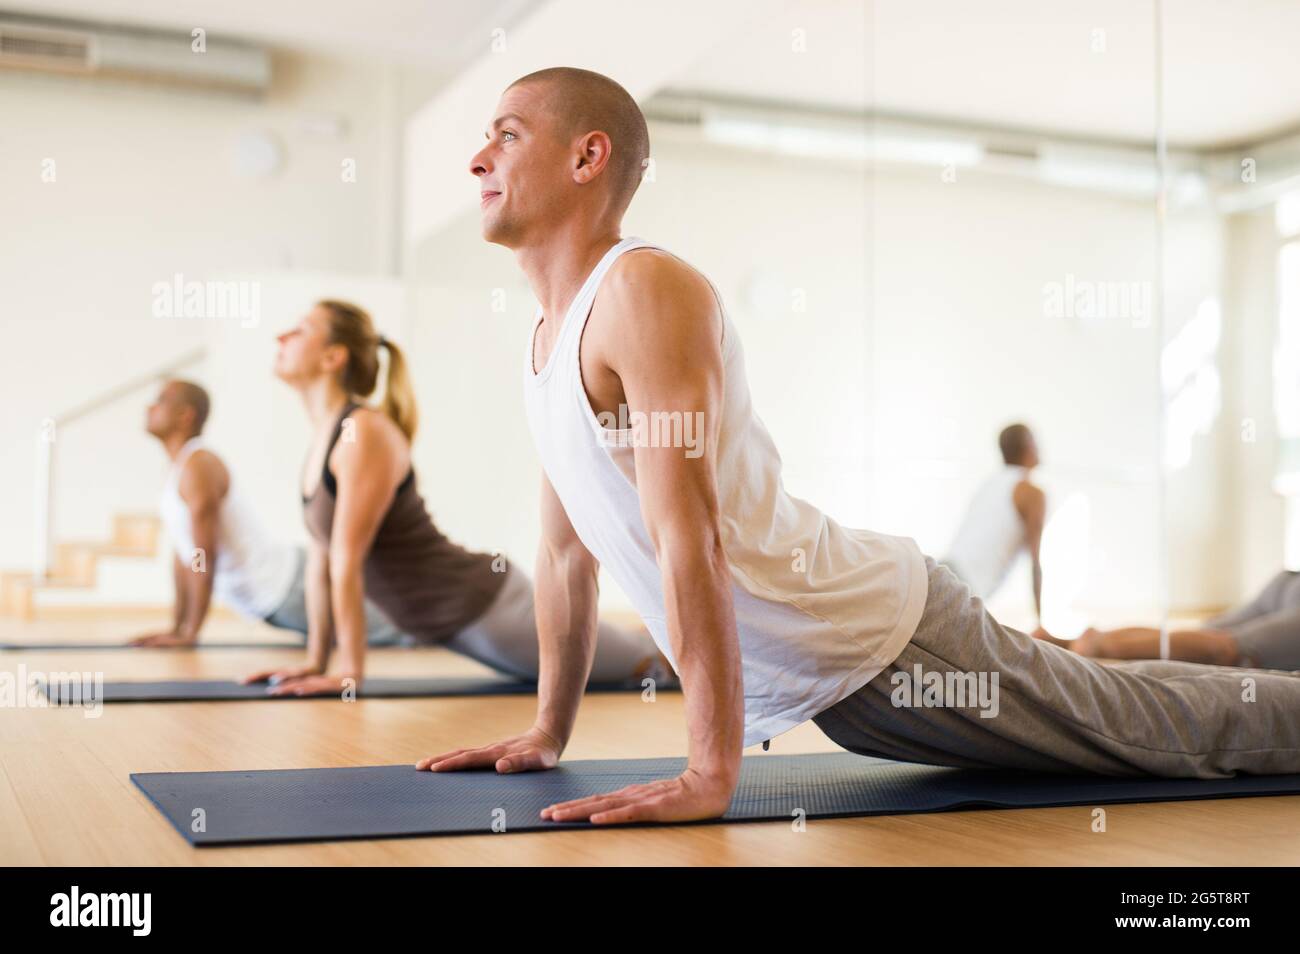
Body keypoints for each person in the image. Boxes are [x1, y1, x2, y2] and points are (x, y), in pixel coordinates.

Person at [416, 67, 1300, 825]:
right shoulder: (547, 338)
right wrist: (548, 731)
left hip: (891, 642)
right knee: (1138, 713)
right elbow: (566, 558)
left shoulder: (641, 289)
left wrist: (711, 771)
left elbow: (693, 537)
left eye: (506, 134)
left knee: (1152, 731)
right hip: (850, 679)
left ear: (586, 156)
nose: (477, 157)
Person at [247, 299, 674, 696]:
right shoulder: (328, 436)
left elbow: (347, 561)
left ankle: (698, 642)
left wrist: (349, 674)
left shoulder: (365, 433)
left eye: (300, 329)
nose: (280, 337)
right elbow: (321, 559)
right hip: (459, 621)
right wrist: (315, 662)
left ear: (332, 357)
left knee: (648, 662)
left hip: (489, 609)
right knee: (627, 651)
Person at [133, 379, 406, 647]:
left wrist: (190, 632)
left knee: (401, 628)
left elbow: (203, 556)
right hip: (283, 586)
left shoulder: (198, 466)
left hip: (289, 588)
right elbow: (184, 557)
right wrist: (177, 627)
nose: (149, 408)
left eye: (160, 401)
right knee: (393, 612)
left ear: (185, 415)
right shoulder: (177, 469)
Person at [1035, 569, 1300, 671]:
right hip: (1289, 590)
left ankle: (1078, 643)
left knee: (1208, 639)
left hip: (1288, 582)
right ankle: (1096, 646)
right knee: (1220, 646)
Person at [943, 423, 1046, 623]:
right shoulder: (1032, 493)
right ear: (1029, 447)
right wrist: (1040, 622)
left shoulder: (990, 484)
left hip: (944, 570)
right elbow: (1035, 563)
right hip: (963, 586)